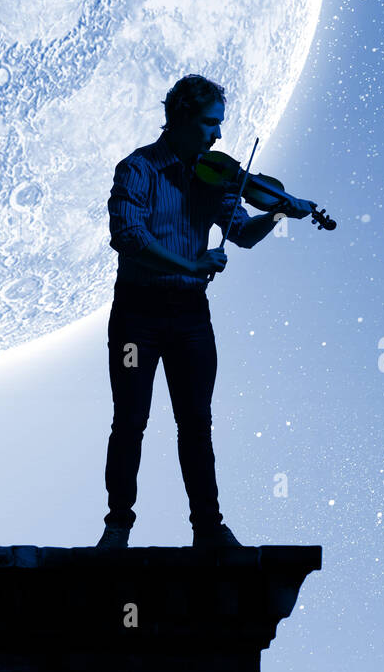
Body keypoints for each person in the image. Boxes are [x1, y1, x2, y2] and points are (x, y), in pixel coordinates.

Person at [95, 74, 311, 549]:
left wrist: (279, 212)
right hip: (137, 315)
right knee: (130, 420)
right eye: (211, 124)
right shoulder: (138, 169)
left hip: (191, 316)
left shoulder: (213, 177)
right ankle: (118, 525)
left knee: (195, 423)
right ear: (181, 118)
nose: (218, 136)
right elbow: (128, 238)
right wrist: (192, 262)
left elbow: (243, 236)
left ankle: (208, 529)